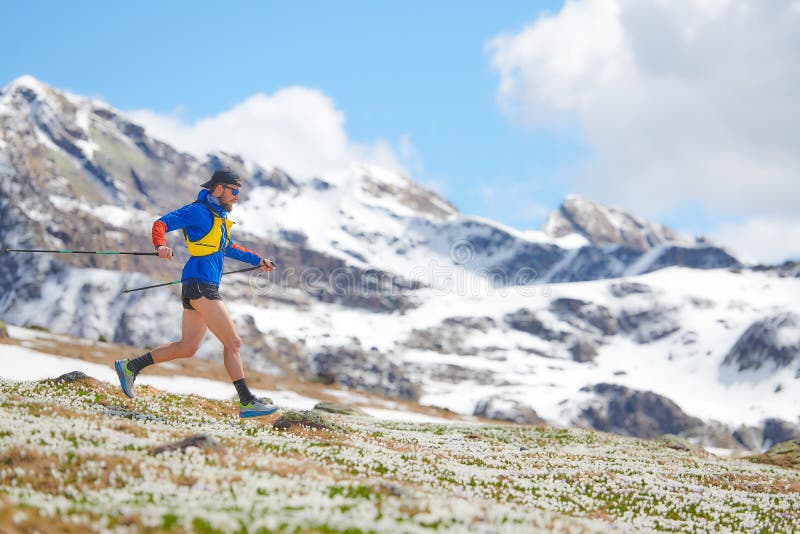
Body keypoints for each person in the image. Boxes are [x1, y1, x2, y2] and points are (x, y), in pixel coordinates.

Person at [114, 168, 278, 418]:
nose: (236, 197)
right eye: (234, 192)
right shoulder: (197, 211)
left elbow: (228, 247)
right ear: (219, 189)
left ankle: (130, 366)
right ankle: (246, 401)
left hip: (199, 283)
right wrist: (161, 245)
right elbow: (161, 223)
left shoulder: (218, 216)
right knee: (233, 342)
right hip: (201, 284)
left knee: (187, 347)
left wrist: (258, 260)